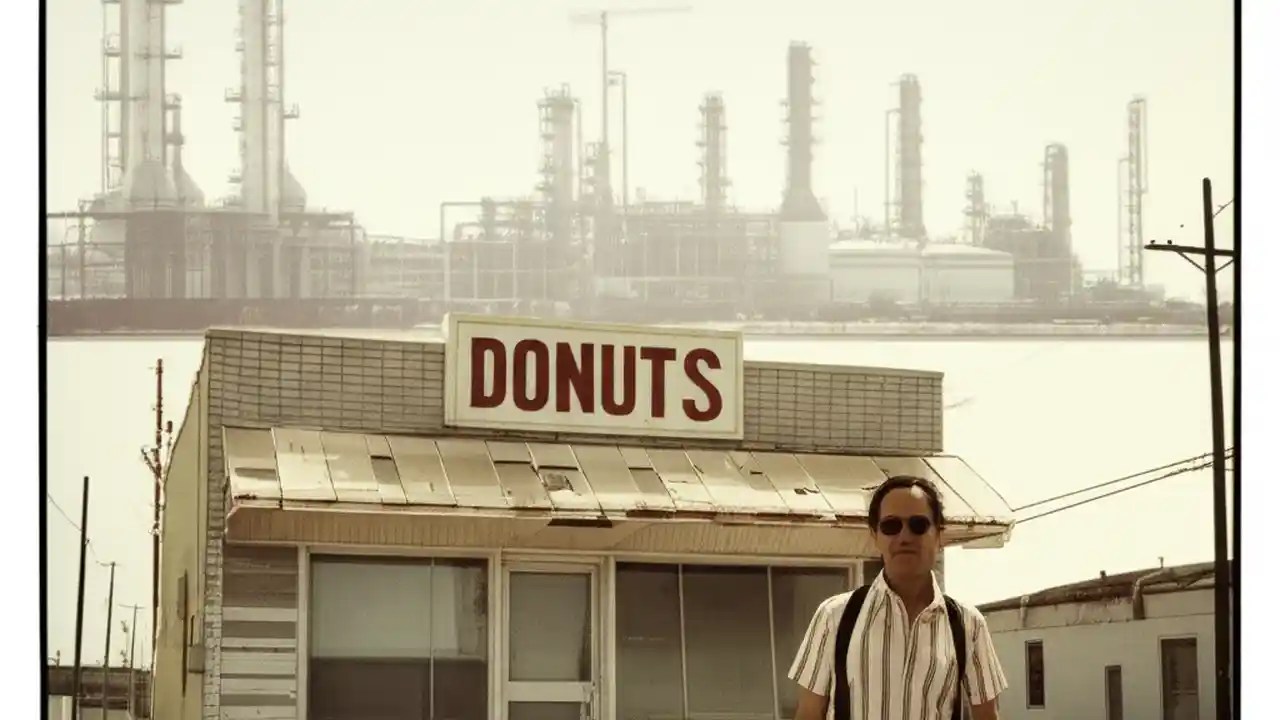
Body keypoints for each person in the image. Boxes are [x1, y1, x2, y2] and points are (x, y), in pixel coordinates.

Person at [788, 475, 1008, 720]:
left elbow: (988, 716)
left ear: (938, 535)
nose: (904, 537)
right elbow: (808, 714)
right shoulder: (834, 616)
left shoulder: (968, 625)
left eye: (918, 525)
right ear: (875, 535)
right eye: (891, 526)